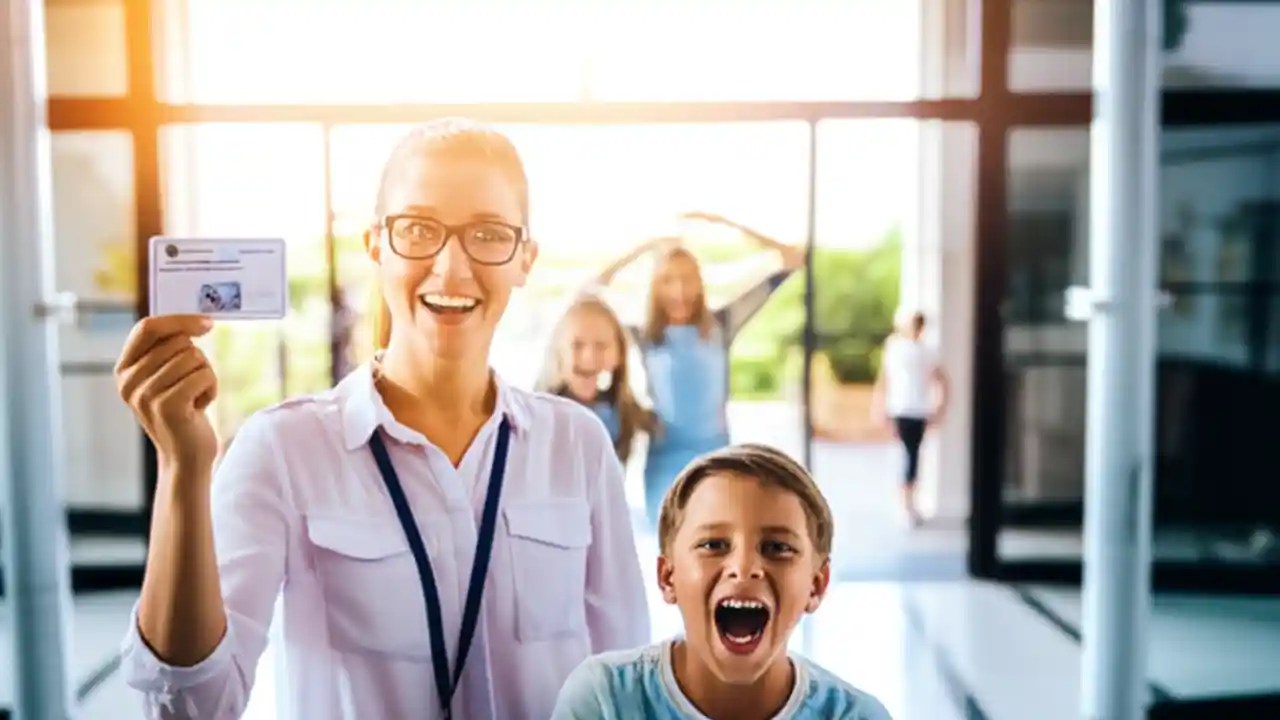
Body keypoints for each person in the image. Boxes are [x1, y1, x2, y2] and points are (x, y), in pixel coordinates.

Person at [113, 119, 650, 720]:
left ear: (525, 258)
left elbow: (626, 686)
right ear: (376, 246)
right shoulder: (284, 450)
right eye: (419, 229)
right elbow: (191, 708)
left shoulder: (576, 445)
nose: (451, 269)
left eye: (488, 234)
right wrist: (182, 467)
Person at [550, 444, 893, 720]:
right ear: (668, 577)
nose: (744, 568)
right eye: (713, 545)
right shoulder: (603, 700)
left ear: (816, 586)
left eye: (777, 548)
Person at [594, 212, 804, 528]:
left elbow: (793, 259)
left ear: (700, 282)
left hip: (717, 460)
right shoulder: (645, 336)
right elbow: (592, 291)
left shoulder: (722, 324)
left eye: (687, 278)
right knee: (670, 554)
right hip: (664, 462)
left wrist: (725, 223)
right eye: (668, 279)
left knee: (714, 546)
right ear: (655, 286)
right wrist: (647, 245)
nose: (679, 290)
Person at [535, 292, 657, 464]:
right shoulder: (542, 414)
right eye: (577, 345)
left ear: (619, 354)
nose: (589, 357)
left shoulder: (627, 411)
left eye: (601, 346)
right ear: (559, 353)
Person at [871, 309, 949, 527]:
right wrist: (879, 406)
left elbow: (942, 381)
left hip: (918, 410)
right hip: (899, 408)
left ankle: (908, 502)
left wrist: (940, 408)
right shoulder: (895, 349)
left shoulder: (927, 352)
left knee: (912, 456)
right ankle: (905, 502)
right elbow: (884, 380)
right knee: (905, 455)